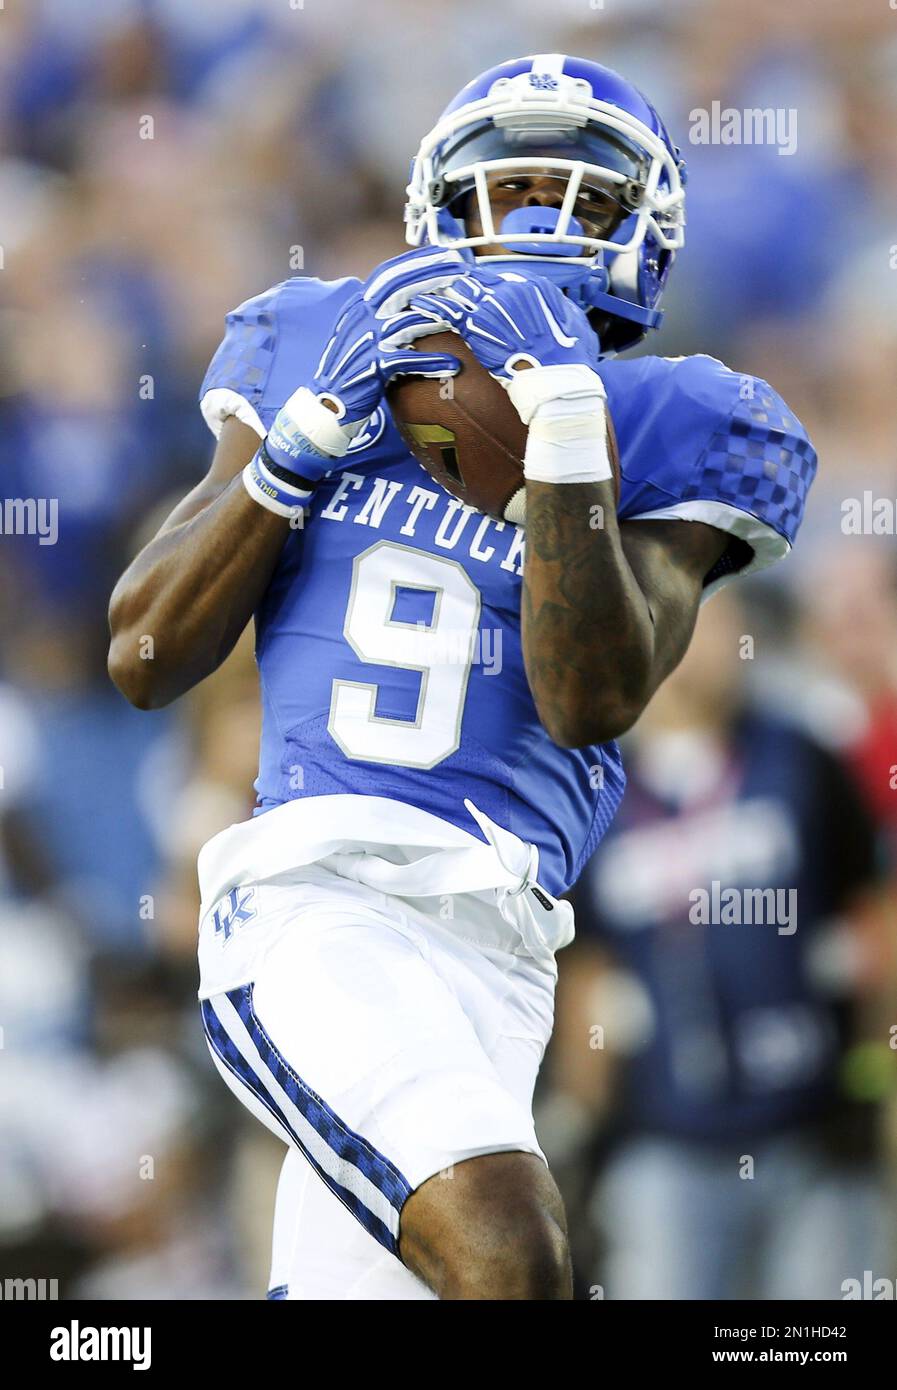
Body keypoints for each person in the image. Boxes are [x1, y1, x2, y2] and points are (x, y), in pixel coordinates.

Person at [107, 55, 815, 1300]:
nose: (539, 221)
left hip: (504, 945)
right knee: (508, 1249)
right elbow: (144, 655)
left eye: (581, 197)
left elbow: (593, 696)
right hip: (316, 902)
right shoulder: (317, 338)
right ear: (440, 210)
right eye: (511, 189)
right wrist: (294, 450)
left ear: (645, 231)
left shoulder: (685, 418)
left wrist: (565, 430)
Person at [553, 590, 893, 1299]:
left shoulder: (799, 756)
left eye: (717, 622)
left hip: (813, 1130)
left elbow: (874, 920)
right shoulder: (594, 791)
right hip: (663, 1139)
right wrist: (580, 1122)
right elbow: (586, 969)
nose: (694, 646)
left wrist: (872, 1080)